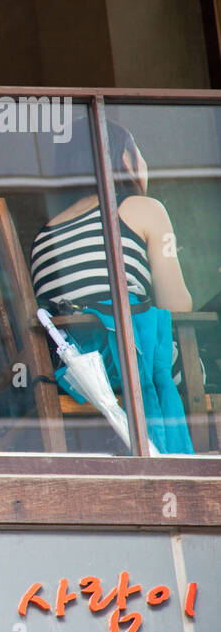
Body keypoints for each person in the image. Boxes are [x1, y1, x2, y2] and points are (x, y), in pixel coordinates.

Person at [30, 119, 195, 453]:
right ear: (124, 159)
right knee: (202, 362)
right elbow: (177, 306)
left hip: (78, 374)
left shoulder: (42, 237)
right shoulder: (144, 209)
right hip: (132, 365)